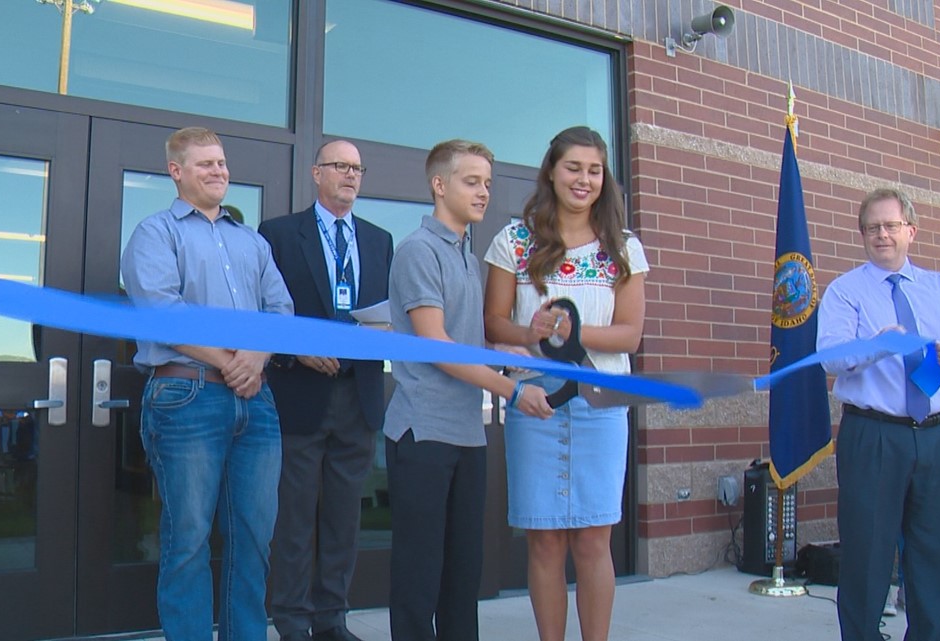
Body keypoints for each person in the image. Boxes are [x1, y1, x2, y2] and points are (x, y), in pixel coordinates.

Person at [120, 127, 295, 641]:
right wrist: (229, 362)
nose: (218, 171)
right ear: (176, 171)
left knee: (254, 538)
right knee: (189, 538)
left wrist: (256, 357)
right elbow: (161, 311)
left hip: (255, 401)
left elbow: (280, 310)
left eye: (221, 163)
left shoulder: (253, 243)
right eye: (205, 164)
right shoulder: (156, 233)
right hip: (186, 396)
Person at [482, 126, 648, 641]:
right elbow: (494, 323)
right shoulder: (514, 241)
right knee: (545, 540)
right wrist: (532, 332)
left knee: (594, 539)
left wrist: (571, 332)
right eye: (573, 167)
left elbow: (631, 335)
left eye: (594, 170)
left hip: (602, 399)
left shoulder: (624, 248)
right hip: (536, 401)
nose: (584, 179)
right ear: (551, 171)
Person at [384, 139, 553, 641]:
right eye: (471, 181)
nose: (483, 192)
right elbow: (437, 345)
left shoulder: (464, 254)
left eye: (487, 183)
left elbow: (465, 339)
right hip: (423, 431)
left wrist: (507, 357)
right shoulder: (418, 251)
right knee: (420, 570)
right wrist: (511, 390)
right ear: (440, 185)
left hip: (466, 433)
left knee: (463, 570)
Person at [817, 188, 940, 641]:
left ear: (911, 230)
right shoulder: (845, 292)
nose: (882, 235)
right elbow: (831, 357)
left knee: (935, 553)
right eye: (872, 227)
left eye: (891, 226)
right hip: (874, 435)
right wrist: (875, 346)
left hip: (935, 436)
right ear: (862, 234)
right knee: (867, 554)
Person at [259, 140, 393, 641]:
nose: (351, 176)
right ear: (317, 173)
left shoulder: (379, 241)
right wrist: (294, 352)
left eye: (357, 169)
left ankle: (331, 621)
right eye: (341, 166)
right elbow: (262, 313)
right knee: (294, 521)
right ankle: (292, 623)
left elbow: (386, 312)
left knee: (342, 519)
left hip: (358, 397)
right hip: (300, 394)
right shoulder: (278, 234)